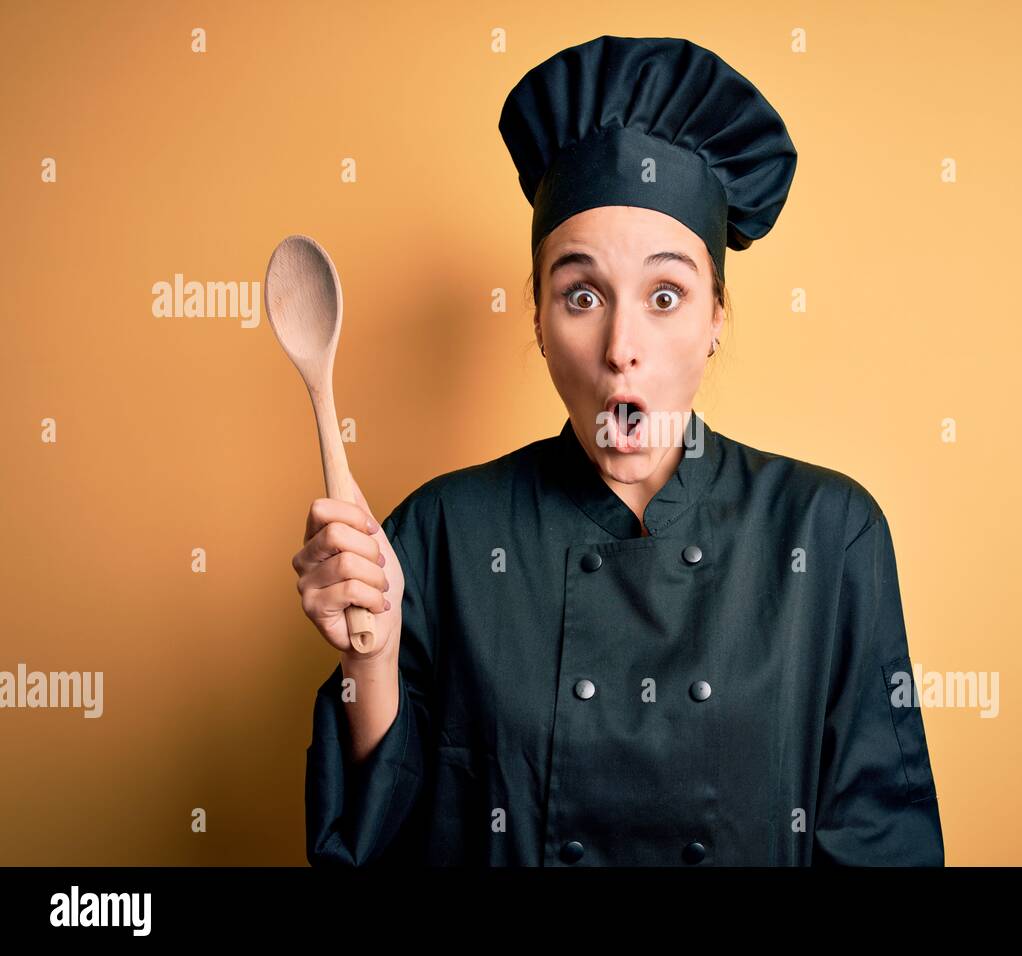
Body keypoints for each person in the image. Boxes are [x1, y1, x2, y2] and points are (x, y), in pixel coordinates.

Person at [296, 34, 944, 866]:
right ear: (537, 318)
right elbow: (384, 841)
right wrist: (372, 659)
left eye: (666, 294)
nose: (621, 345)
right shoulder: (439, 534)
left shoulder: (828, 531)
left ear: (716, 319)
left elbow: (882, 840)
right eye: (582, 294)